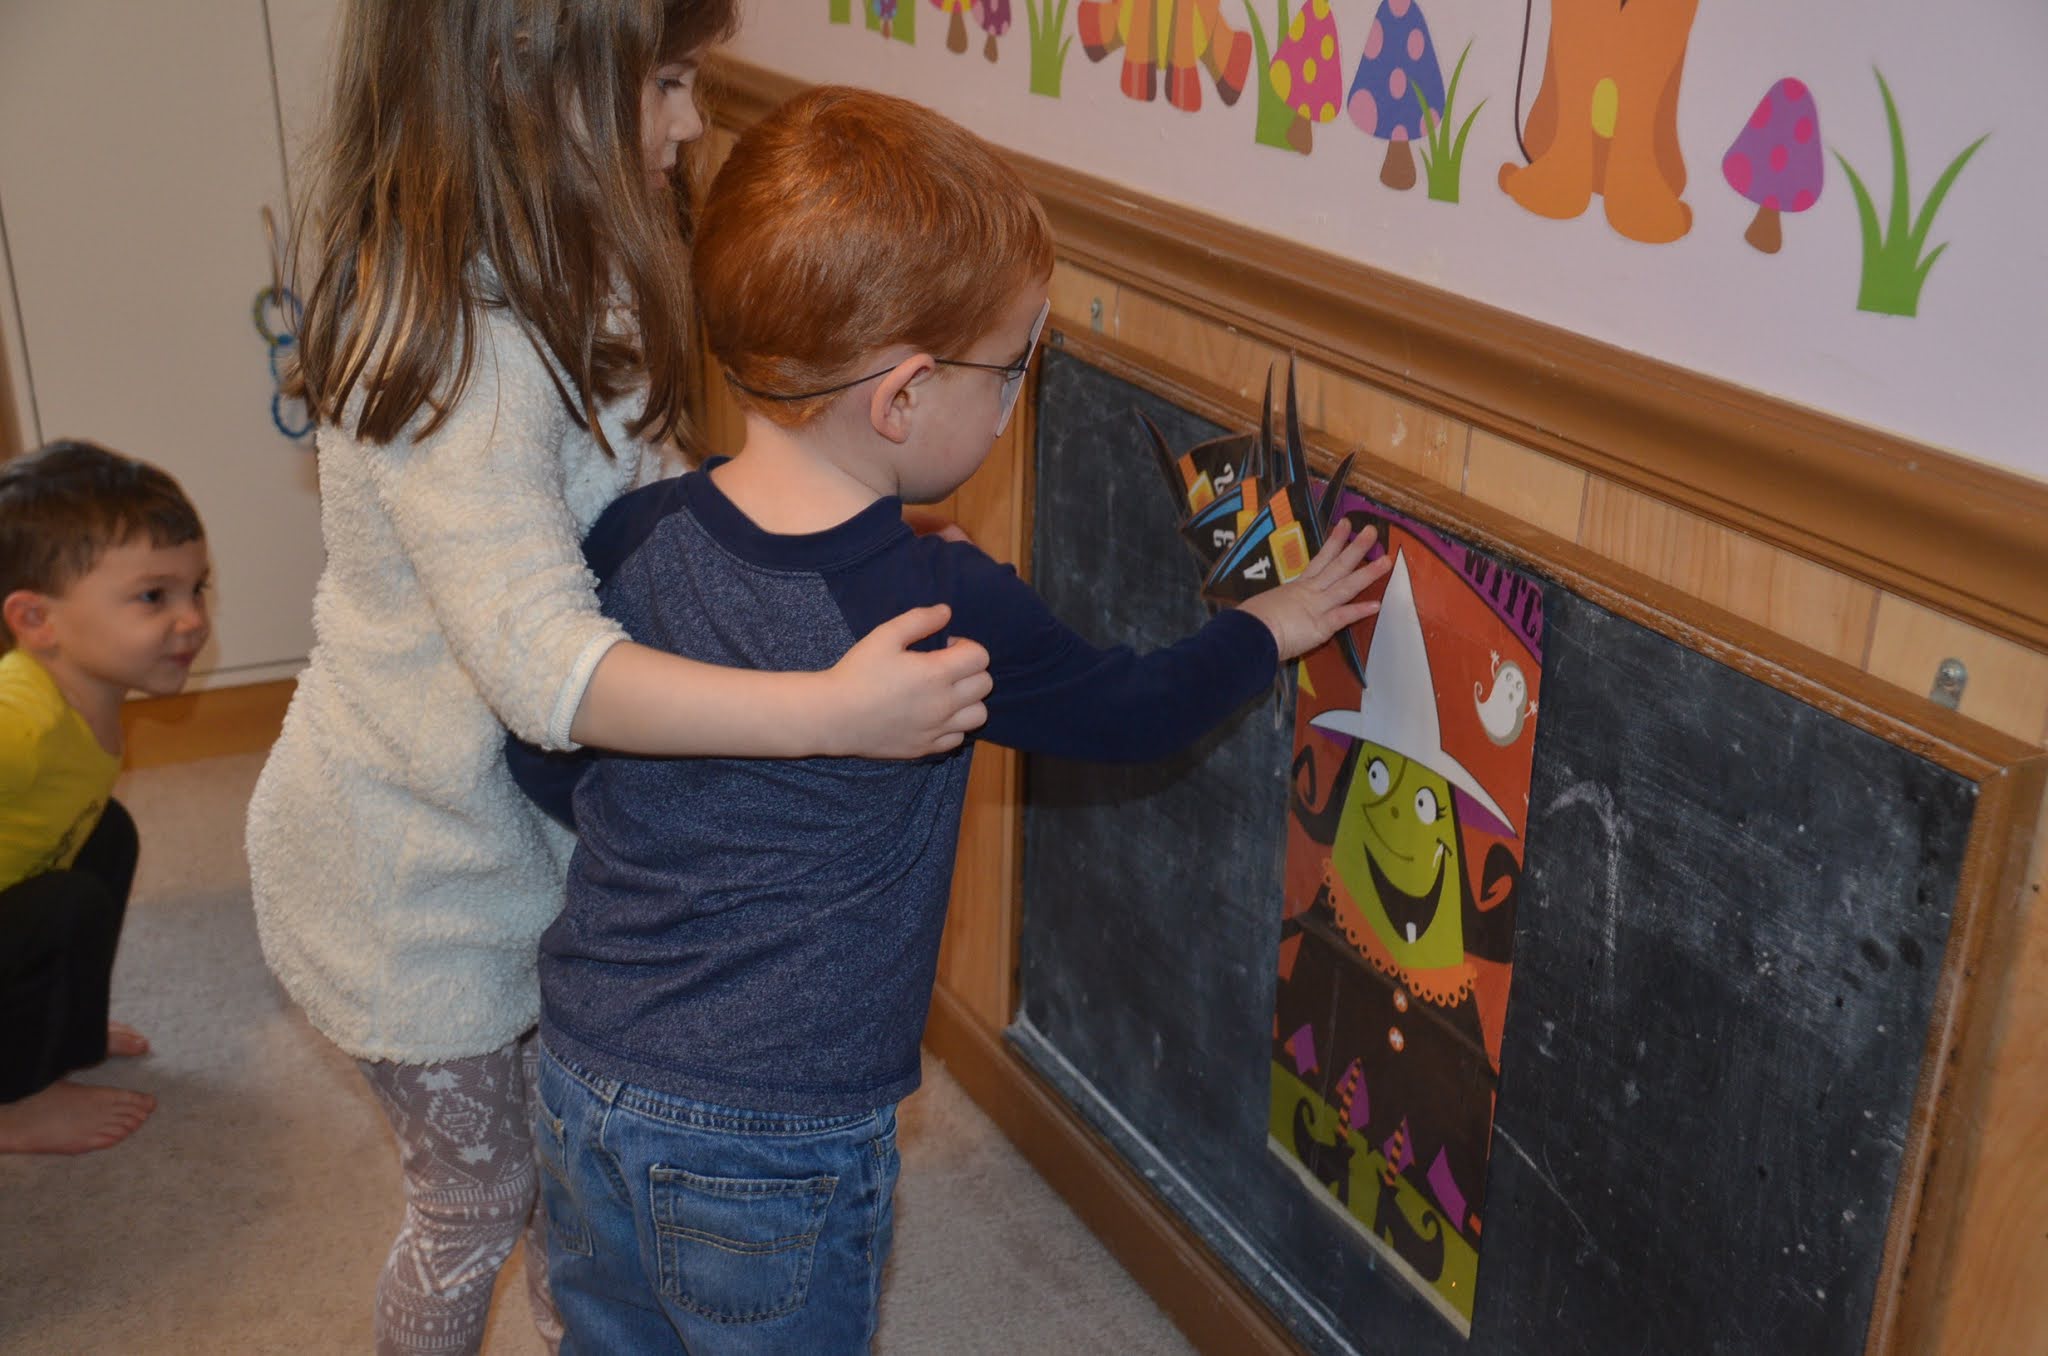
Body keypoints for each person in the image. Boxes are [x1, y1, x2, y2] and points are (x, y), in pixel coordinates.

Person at [509, 86, 1394, 1355]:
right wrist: (1275, 624)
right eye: (1017, 363)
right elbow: (1133, 709)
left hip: (584, 1072)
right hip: (777, 1131)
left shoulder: (637, 536)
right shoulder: (942, 607)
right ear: (905, 397)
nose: (1019, 393)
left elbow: (546, 743)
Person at [243, 6, 993, 1353]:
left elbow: (645, 524)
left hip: (530, 855)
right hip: (415, 886)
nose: (695, 121)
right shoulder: (462, 358)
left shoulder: (566, 277)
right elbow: (552, 673)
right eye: (666, 82)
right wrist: (832, 713)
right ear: (522, 86)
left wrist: (837, 524)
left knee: (583, 1186)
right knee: (479, 1201)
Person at [0, 441, 210, 1155]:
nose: (191, 619)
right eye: (155, 596)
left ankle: (68, 1039)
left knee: (108, 835)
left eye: (196, 589)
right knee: (62, 906)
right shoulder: (20, 715)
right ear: (36, 622)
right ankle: (15, 1101)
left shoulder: (86, 694)